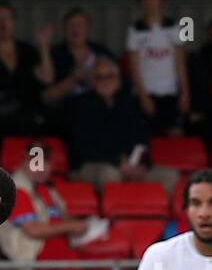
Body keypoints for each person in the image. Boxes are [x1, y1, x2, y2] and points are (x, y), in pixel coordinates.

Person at [68, 56, 179, 195]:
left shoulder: (130, 103)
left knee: (170, 175)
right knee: (110, 175)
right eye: (99, 77)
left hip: (129, 166)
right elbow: (83, 147)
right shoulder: (81, 105)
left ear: (118, 79)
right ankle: (116, 216)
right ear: (92, 81)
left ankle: (148, 214)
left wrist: (140, 164)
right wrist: (118, 162)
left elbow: (142, 138)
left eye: (110, 76)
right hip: (94, 165)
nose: (105, 81)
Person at [0, 142, 106, 264]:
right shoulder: (17, 190)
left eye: (45, 162)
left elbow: (59, 217)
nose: (40, 167)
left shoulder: (45, 190)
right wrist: (72, 226)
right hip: (32, 262)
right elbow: (33, 230)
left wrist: (82, 222)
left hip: (57, 256)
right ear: (24, 161)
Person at [0, 1, 52, 139]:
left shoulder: (27, 50)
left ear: (14, 22)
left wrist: (44, 47)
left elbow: (47, 78)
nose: (2, 23)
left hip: (25, 113)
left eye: (7, 18)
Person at [126, 0, 189, 135]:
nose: (150, 2)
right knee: (146, 136)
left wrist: (185, 93)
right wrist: (143, 96)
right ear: (140, 3)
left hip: (170, 92)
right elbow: (134, 67)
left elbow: (181, 63)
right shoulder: (135, 30)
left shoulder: (174, 27)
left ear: (162, 1)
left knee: (175, 137)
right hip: (147, 93)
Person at [43, 6, 116, 107]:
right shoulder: (55, 55)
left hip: (99, 109)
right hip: (67, 113)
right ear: (64, 30)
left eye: (80, 25)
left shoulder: (102, 52)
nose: (75, 30)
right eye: (71, 26)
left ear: (88, 29)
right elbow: (47, 96)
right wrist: (73, 80)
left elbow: (118, 84)